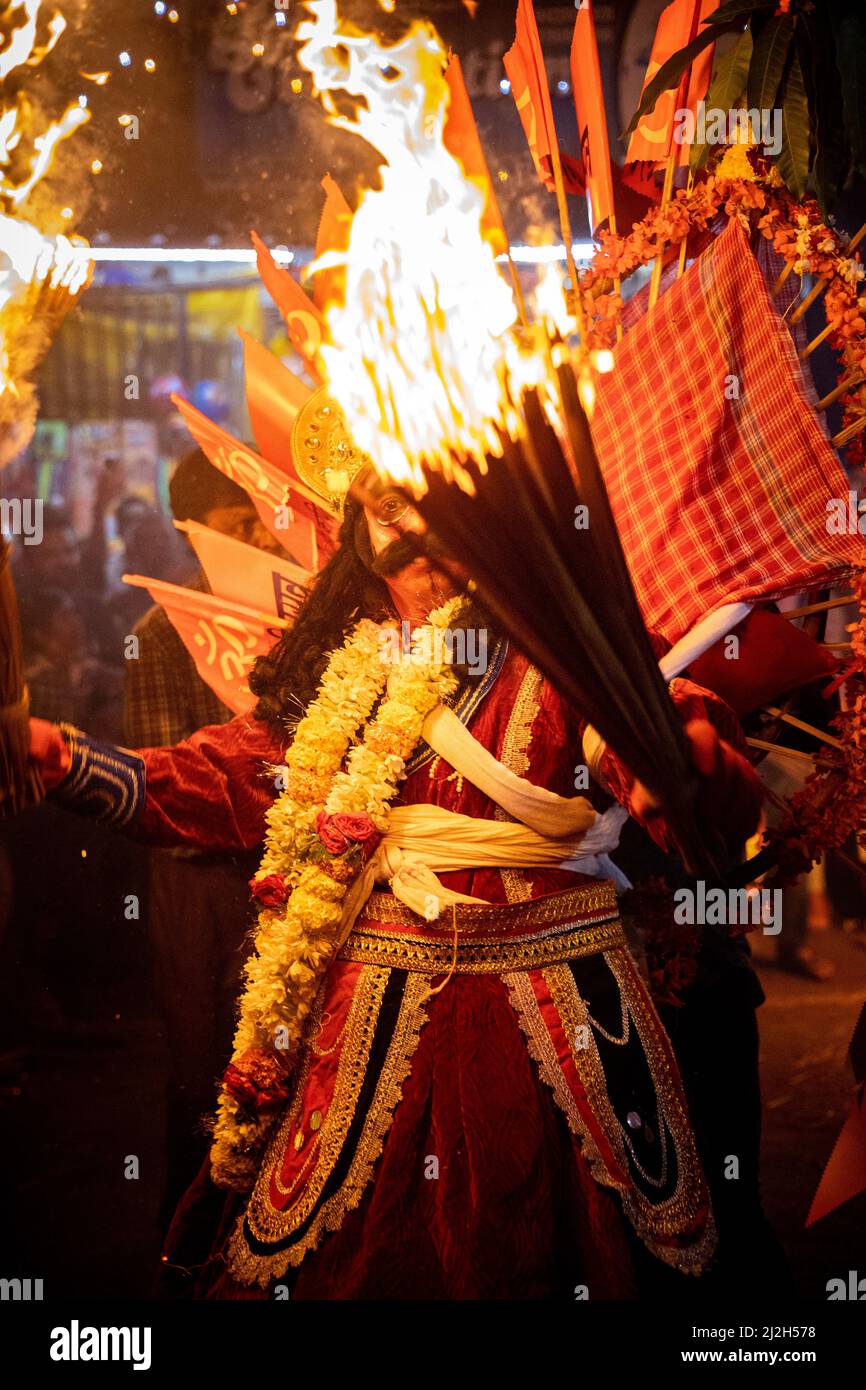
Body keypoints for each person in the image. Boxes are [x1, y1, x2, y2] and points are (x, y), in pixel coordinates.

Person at [27, 440, 764, 1300]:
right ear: (356, 532)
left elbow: (654, 731)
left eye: (441, 518)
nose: (417, 546)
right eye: (390, 518)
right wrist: (68, 761)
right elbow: (234, 773)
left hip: (548, 1019)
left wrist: (691, 771)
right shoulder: (346, 664)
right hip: (363, 1023)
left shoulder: (563, 646)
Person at [123, 447, 291, 1230]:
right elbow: (163, 784)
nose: (255, 536)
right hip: (203, 886)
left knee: (287, 1071)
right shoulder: (162, 633)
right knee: (206, 1076)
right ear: (195, 532)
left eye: (260, 518)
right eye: (235, 524)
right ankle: (191, 1245)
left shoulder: (296, 620)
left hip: (280, 873)